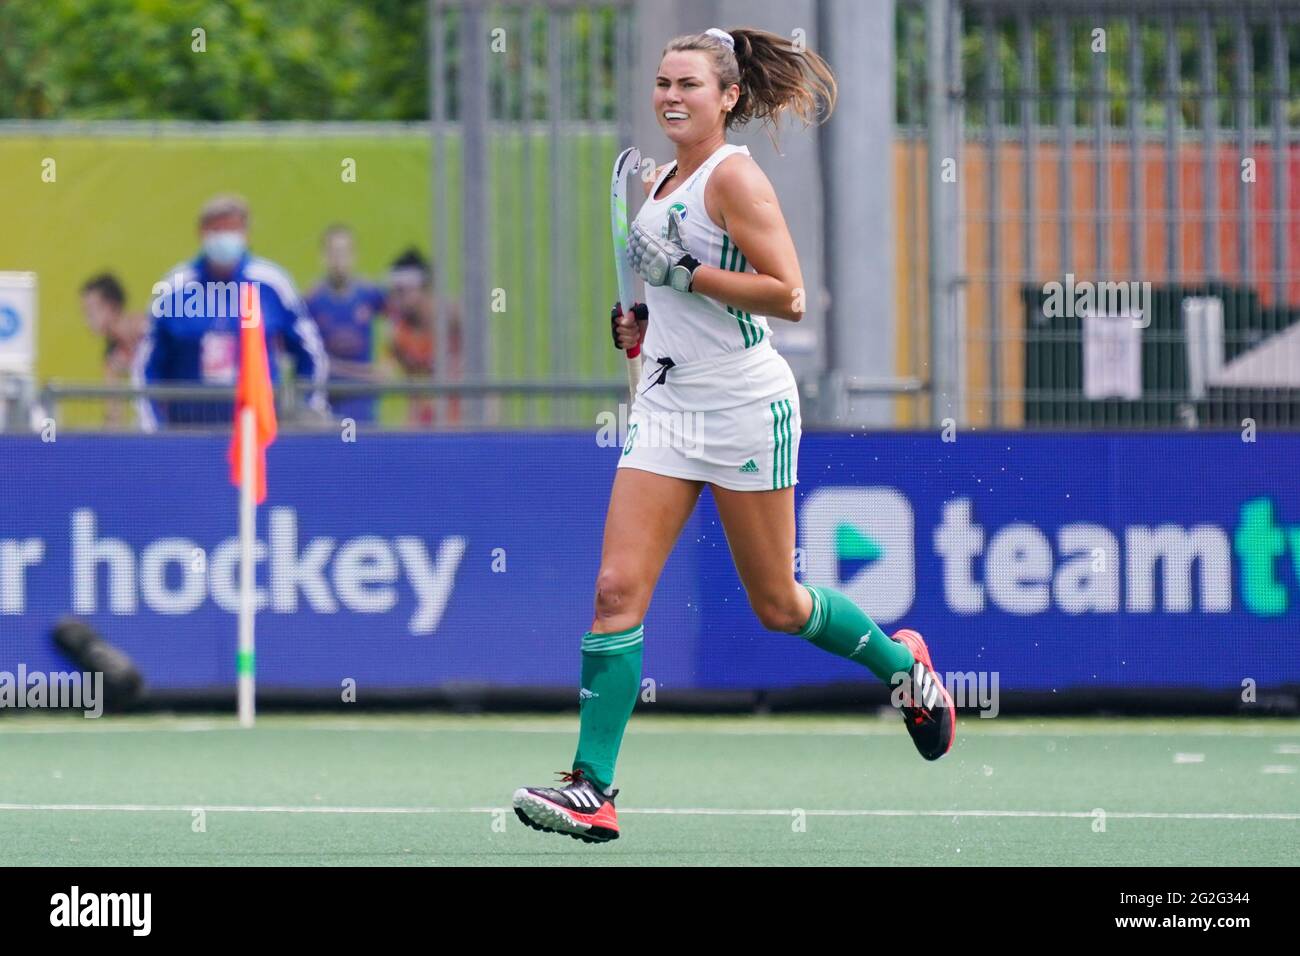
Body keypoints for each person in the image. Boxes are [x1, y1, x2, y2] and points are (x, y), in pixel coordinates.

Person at [512, 27, 955, 845]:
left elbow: (788, 296)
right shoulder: (662, 184)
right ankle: (592, 786)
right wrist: (646, 323)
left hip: (747, 408)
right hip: (666, 406)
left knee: (778, 606)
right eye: (662, 83)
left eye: (689, 85)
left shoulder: (735, 178)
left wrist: (681, 274)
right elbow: (684, 305)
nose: (671, 97)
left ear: (728, 98)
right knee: (615, 591)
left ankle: (903, 668)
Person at [133, 194, 329, 430]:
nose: (224, 237)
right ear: (202, 234)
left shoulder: (273, 284)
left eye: (232, 229)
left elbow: (311, 353)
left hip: (257, 433)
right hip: (186, 432)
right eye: (217, 230)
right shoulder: (174, 288)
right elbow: (146, 366)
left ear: (246, 234)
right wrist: (153, 427)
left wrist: (305, 408)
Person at [305, 224, 386, 424]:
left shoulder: (370, 294)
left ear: (354, 255)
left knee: (361, 447)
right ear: (323, 257)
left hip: (362, 397)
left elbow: (396, 321)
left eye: (343, 252)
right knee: (334, 449)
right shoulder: (313, 301)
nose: (338, 260)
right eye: (333, 253)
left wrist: (387, 359)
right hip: (329, 396)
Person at [386, 249, 461, 427]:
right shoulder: (400, 336)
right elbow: (412, 390)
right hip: (427, 424)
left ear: (422, 287)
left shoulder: (454, 318)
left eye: (402, 292)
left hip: (464, 421)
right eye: (395, 291)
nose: (396, 299)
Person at [79, 273, 147, 427]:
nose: (87, 322)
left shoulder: (147, 331)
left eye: (90, 313)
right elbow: (114, 410)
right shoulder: (112, 359)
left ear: (110, 306)